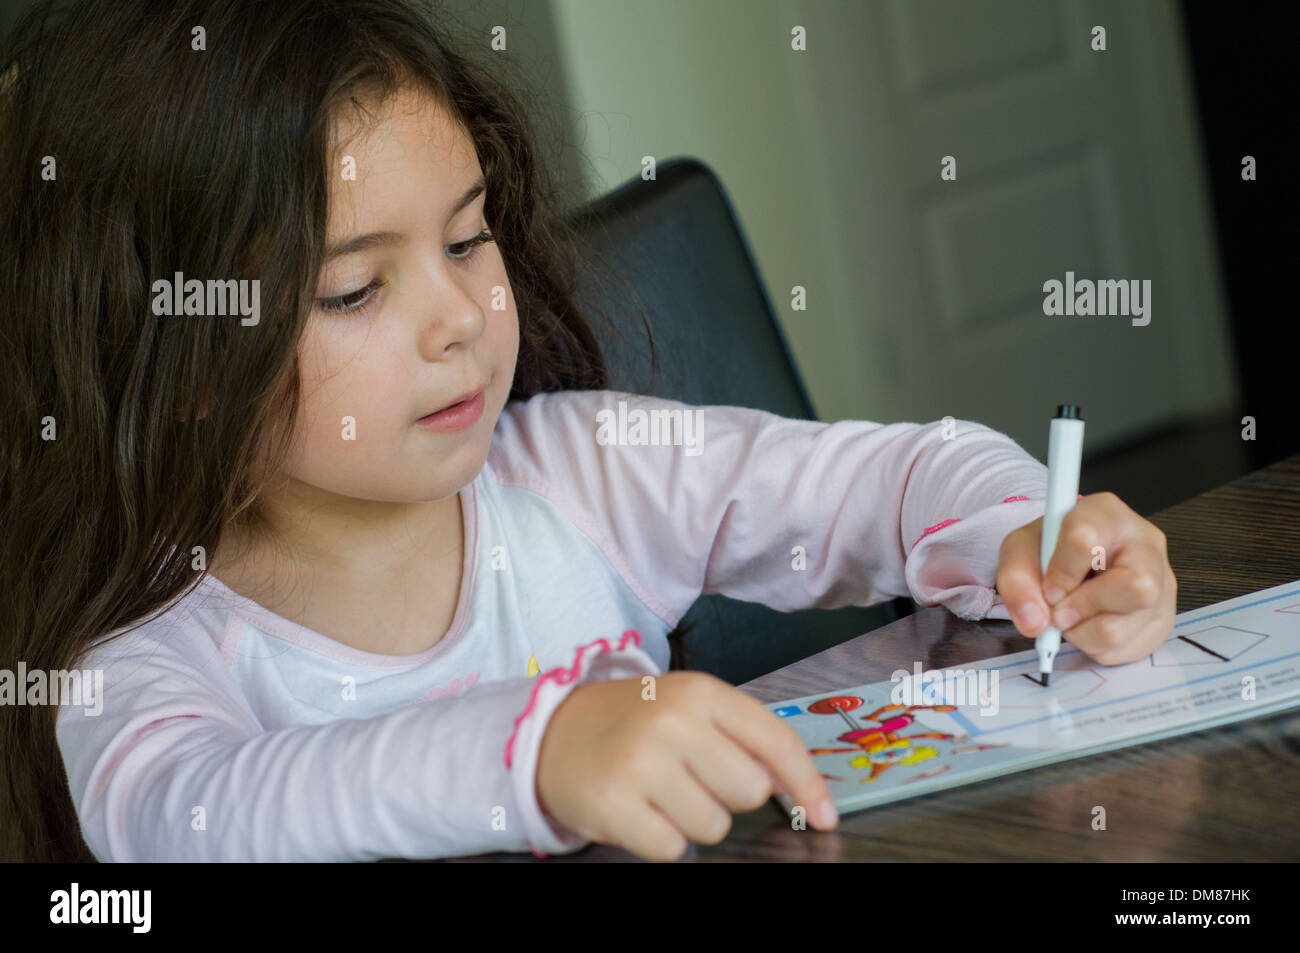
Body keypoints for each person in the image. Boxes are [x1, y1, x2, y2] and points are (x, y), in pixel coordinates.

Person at [0, 0, 1176, 863]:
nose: (462, 316)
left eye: (467, 241)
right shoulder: (144, 647)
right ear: (181, 355)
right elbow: (186, 812)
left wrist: (1028, 528)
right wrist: (539, 748)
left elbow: (895, 476)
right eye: (354, 291)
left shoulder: (582, 472)